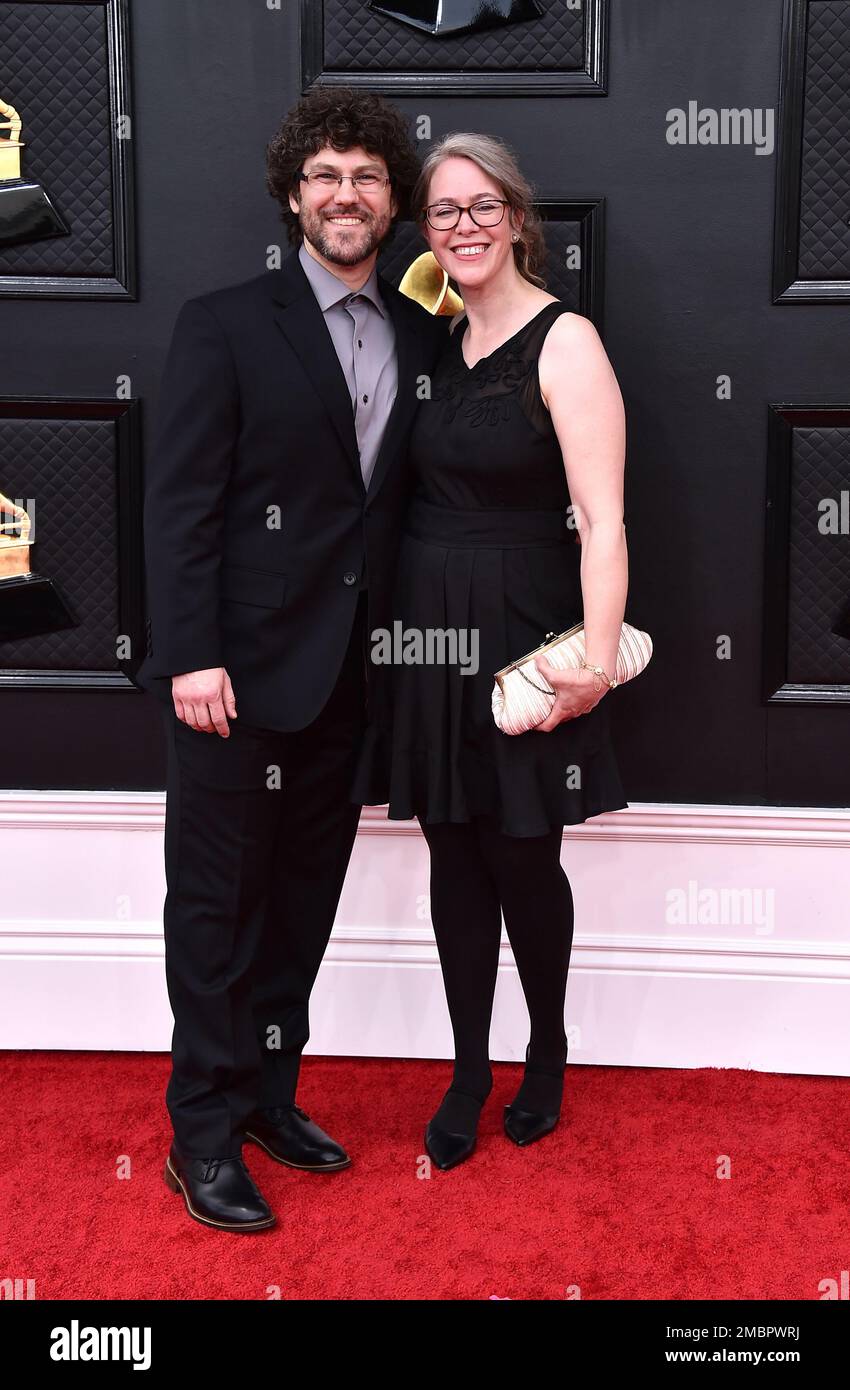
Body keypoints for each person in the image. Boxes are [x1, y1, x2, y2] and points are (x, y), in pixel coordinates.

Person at [132, 87, 447, 1230]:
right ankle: (200, 1135)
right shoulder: (225, 321)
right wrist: (191, 655)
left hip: (350, 681)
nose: (345, 194)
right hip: (233, 679)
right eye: (324, 175)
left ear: (391, 200)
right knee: (214, 911)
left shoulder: (422, 335)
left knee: (300, 904)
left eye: (366, 175)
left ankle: (268, 1096)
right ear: (292, 195)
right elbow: (179, 509)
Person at [351, 132, 630, 1170]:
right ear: (424, 235)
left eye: (479, 207)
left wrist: (593, 667)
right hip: (428, 637)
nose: (461, 226)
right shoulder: (429, 342)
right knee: (452, 856)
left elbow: (602, 522)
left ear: (513, 217)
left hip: (521, 635)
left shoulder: (567, 343)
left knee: (522, 853)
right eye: (441, 212)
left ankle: (545, 1050)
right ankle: (468, 1066)